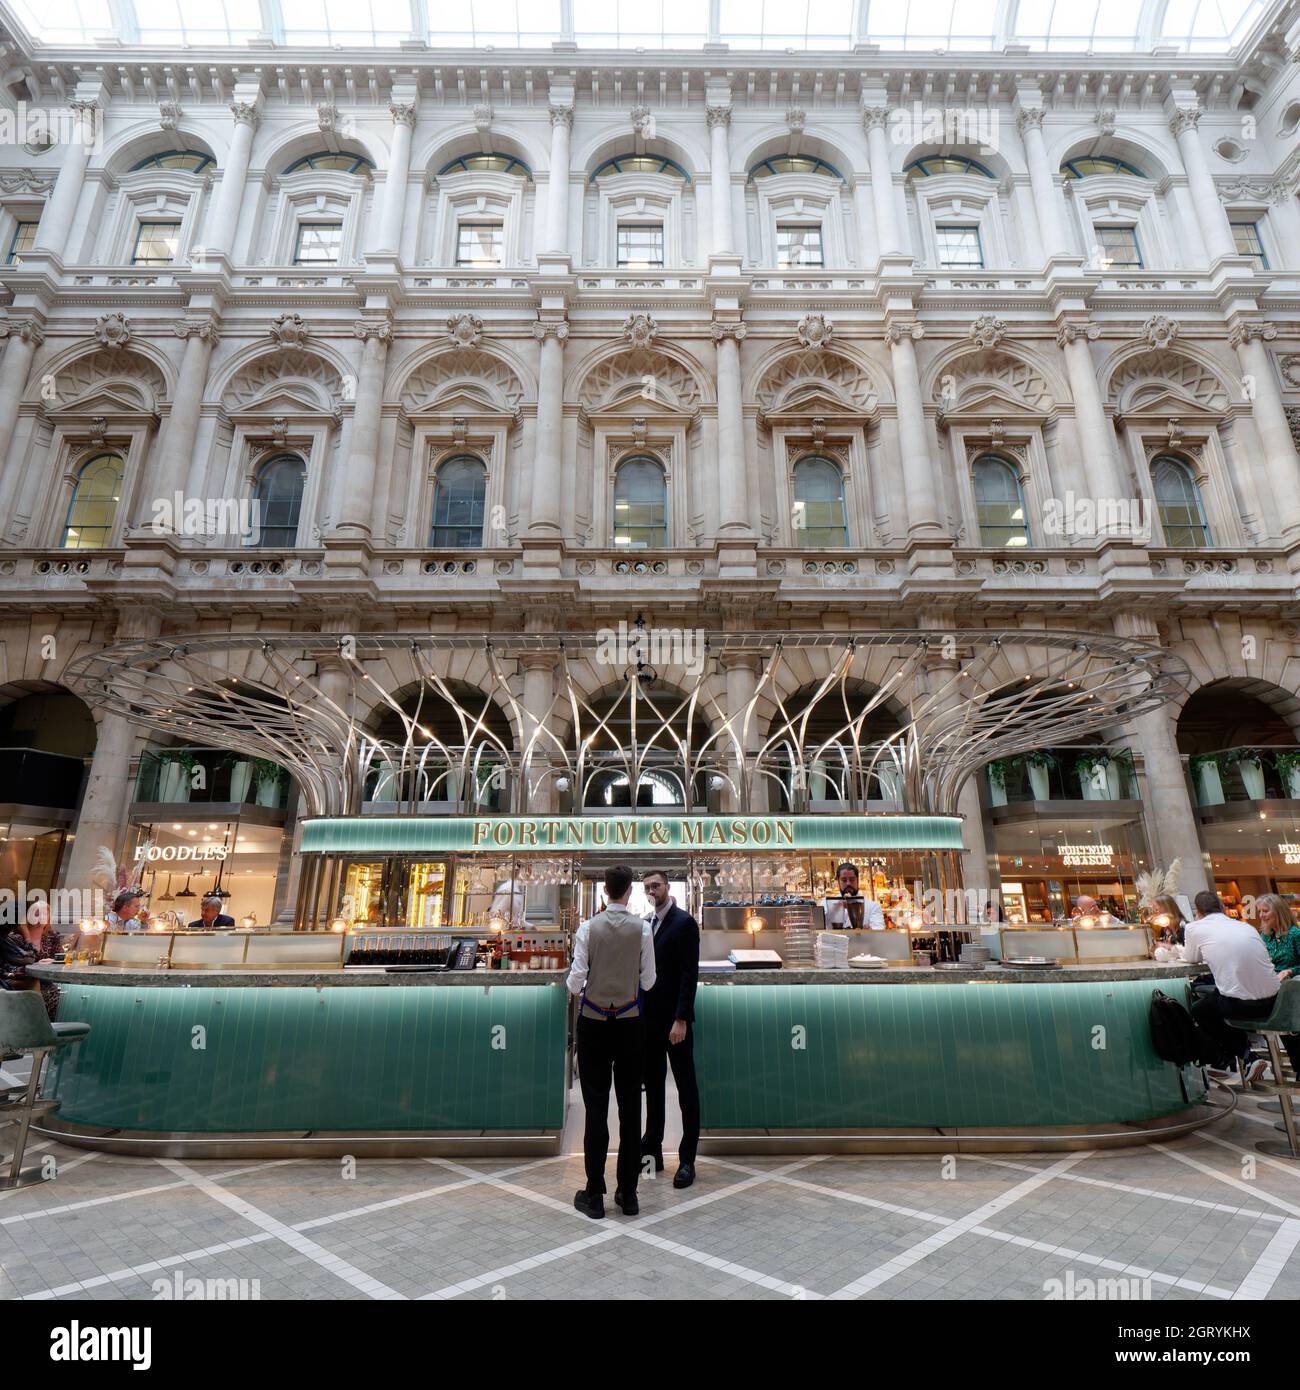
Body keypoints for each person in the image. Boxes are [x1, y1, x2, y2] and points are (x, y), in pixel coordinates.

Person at [566, 864, 656, 1220]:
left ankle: (594, 1193)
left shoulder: (588, 928)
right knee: (631, 1110)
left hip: (594, 1024)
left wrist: (587, 985)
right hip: (631, 1025)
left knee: (596, 1110)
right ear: (629, 892)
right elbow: (649, 982)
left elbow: (576, 981)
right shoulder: (643, 929)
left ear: (605, 891)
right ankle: (628, 1194)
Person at [640, 870, 700, 1191]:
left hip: (675, 1022)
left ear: (667, 888)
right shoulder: (646, 923)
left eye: (656, 885)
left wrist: (682, 1019)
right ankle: (652, 1151)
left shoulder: (684, 923)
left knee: (686, 1089)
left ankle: (687, 1159)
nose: (652, 890)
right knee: (654, 1088)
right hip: (649, 1020)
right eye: (647, 886)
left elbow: (689, 975)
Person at [1184, 889, 1278, 1082]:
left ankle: (1246, 1056)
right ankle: (1242, 1057)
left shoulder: (1194, 927)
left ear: (1198, 911)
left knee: (1200, 1010)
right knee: (1221, 995)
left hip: (1241, 1006)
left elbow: (1191, 958)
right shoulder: (1244, 926)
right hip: (1274, 1003)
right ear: (1222, 908)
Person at [822, 862, 886, 931]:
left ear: (857, 880)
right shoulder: (825, 904)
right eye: (844, 880)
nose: (848, 883)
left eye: (852, 879)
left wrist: (869, 931)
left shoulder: (873, 907)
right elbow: (820, 929)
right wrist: (836, 908)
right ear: (838, 881)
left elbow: (879, 933)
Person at [1255, 894, 1300, 978]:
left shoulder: (1295, 934)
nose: (1261, 915)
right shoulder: (1265, 935)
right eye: (1259, 911)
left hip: (1292, 986)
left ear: (1279, 912)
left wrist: (1290, 971)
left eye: (1265, 911)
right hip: (1272, 983)